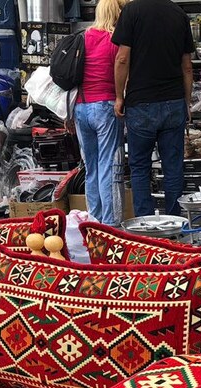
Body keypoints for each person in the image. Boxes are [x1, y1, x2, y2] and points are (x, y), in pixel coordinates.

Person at [112, 0, 194, 217]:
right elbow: (186, 66)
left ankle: (145, 226)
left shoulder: (132, 11)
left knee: (140, 168)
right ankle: (175, 221)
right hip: (174, 101)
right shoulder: (178, 14)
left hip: (141, 103)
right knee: (173, 167)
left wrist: (119, 96)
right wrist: (186, 102)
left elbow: (122, 59)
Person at [75, 0, 127, 226]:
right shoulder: (116, 40)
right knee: (109, 166)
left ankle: (93, 222)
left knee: (91, 168)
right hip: (106, 106)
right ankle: (112, 226)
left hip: (80, 107)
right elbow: (124, 70)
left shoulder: (83, 37)